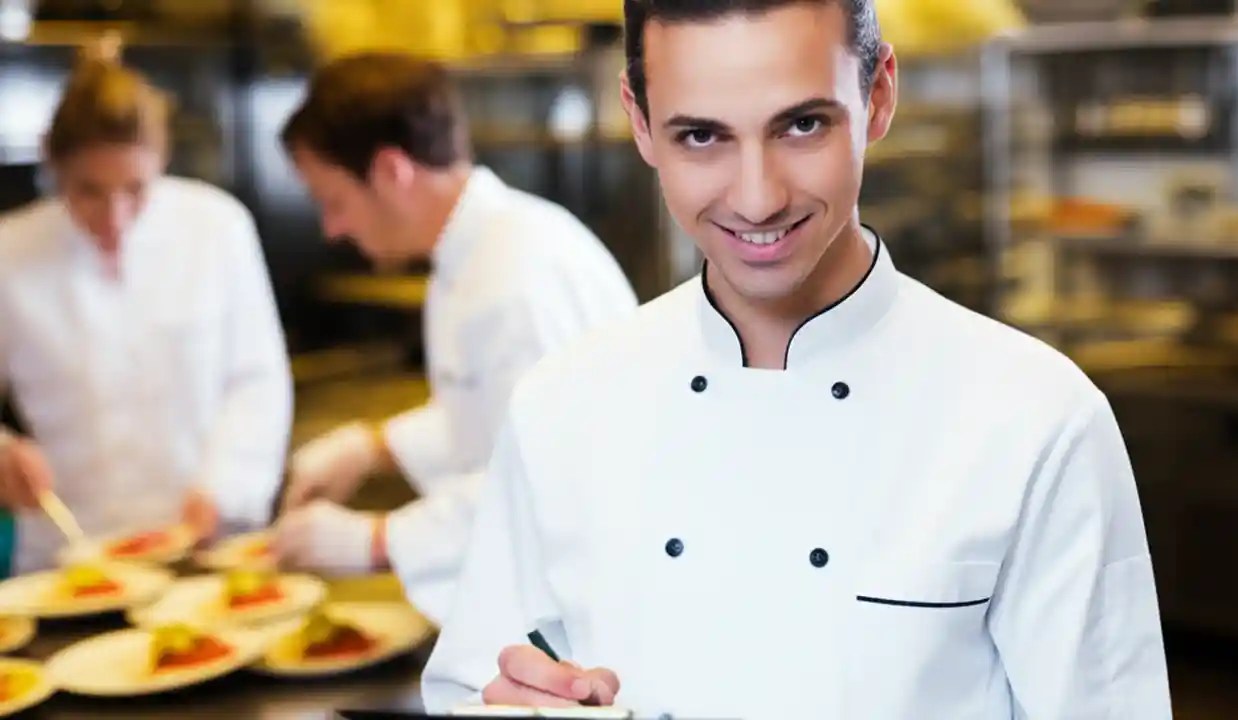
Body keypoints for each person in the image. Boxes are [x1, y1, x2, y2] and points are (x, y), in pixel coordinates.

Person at [421, 1, 1173, 717]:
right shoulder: (561, 403)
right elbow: (473, 681)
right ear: (640, 124)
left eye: (802, 124)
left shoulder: (1036, 419)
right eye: (701, 137)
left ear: (878, 96)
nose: (757, 198)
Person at [272, 53, 638, 617]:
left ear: (393, 172)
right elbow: (490, 417)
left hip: (591, 605)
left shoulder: (517, 274)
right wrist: (373, 448)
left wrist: (376, 540)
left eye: (334, 201)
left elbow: (546, 479)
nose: (332, 228)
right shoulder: (475, 254)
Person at [0, 43, 293, 573]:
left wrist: (225, 487)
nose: (115, 217)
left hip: (211, 542)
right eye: (89, 191)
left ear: (161, 161)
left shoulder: (217, 227)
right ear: (54, 165)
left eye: (136, 189)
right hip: (69, 556)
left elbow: (258, 380)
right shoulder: (9, 252)